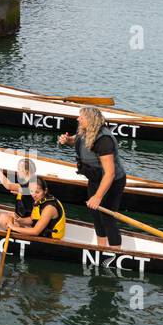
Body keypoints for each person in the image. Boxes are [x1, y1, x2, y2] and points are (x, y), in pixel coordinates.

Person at [59, 106, 127, 247]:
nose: (78, 119)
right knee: (96, 216)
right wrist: (67, 140)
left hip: (112, 182)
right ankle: (101, 248)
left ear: (90, 120)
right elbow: (76, 140)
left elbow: (110, 173)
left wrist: (98, 197)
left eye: (81, 117)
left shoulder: (103, 141)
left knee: (107, 217)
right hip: (95, 179)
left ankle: (115, 252)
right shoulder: (84, 131)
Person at [0, 157, 38, 231]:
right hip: (25, 217)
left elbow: (8, 186)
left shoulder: (31, 185)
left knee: (2, 218)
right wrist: (20, 193)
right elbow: (28, 193)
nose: (17, 172)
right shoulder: (34, 182)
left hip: (30, 223)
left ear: (26, 172)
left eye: (19, 170)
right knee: (0, 216)